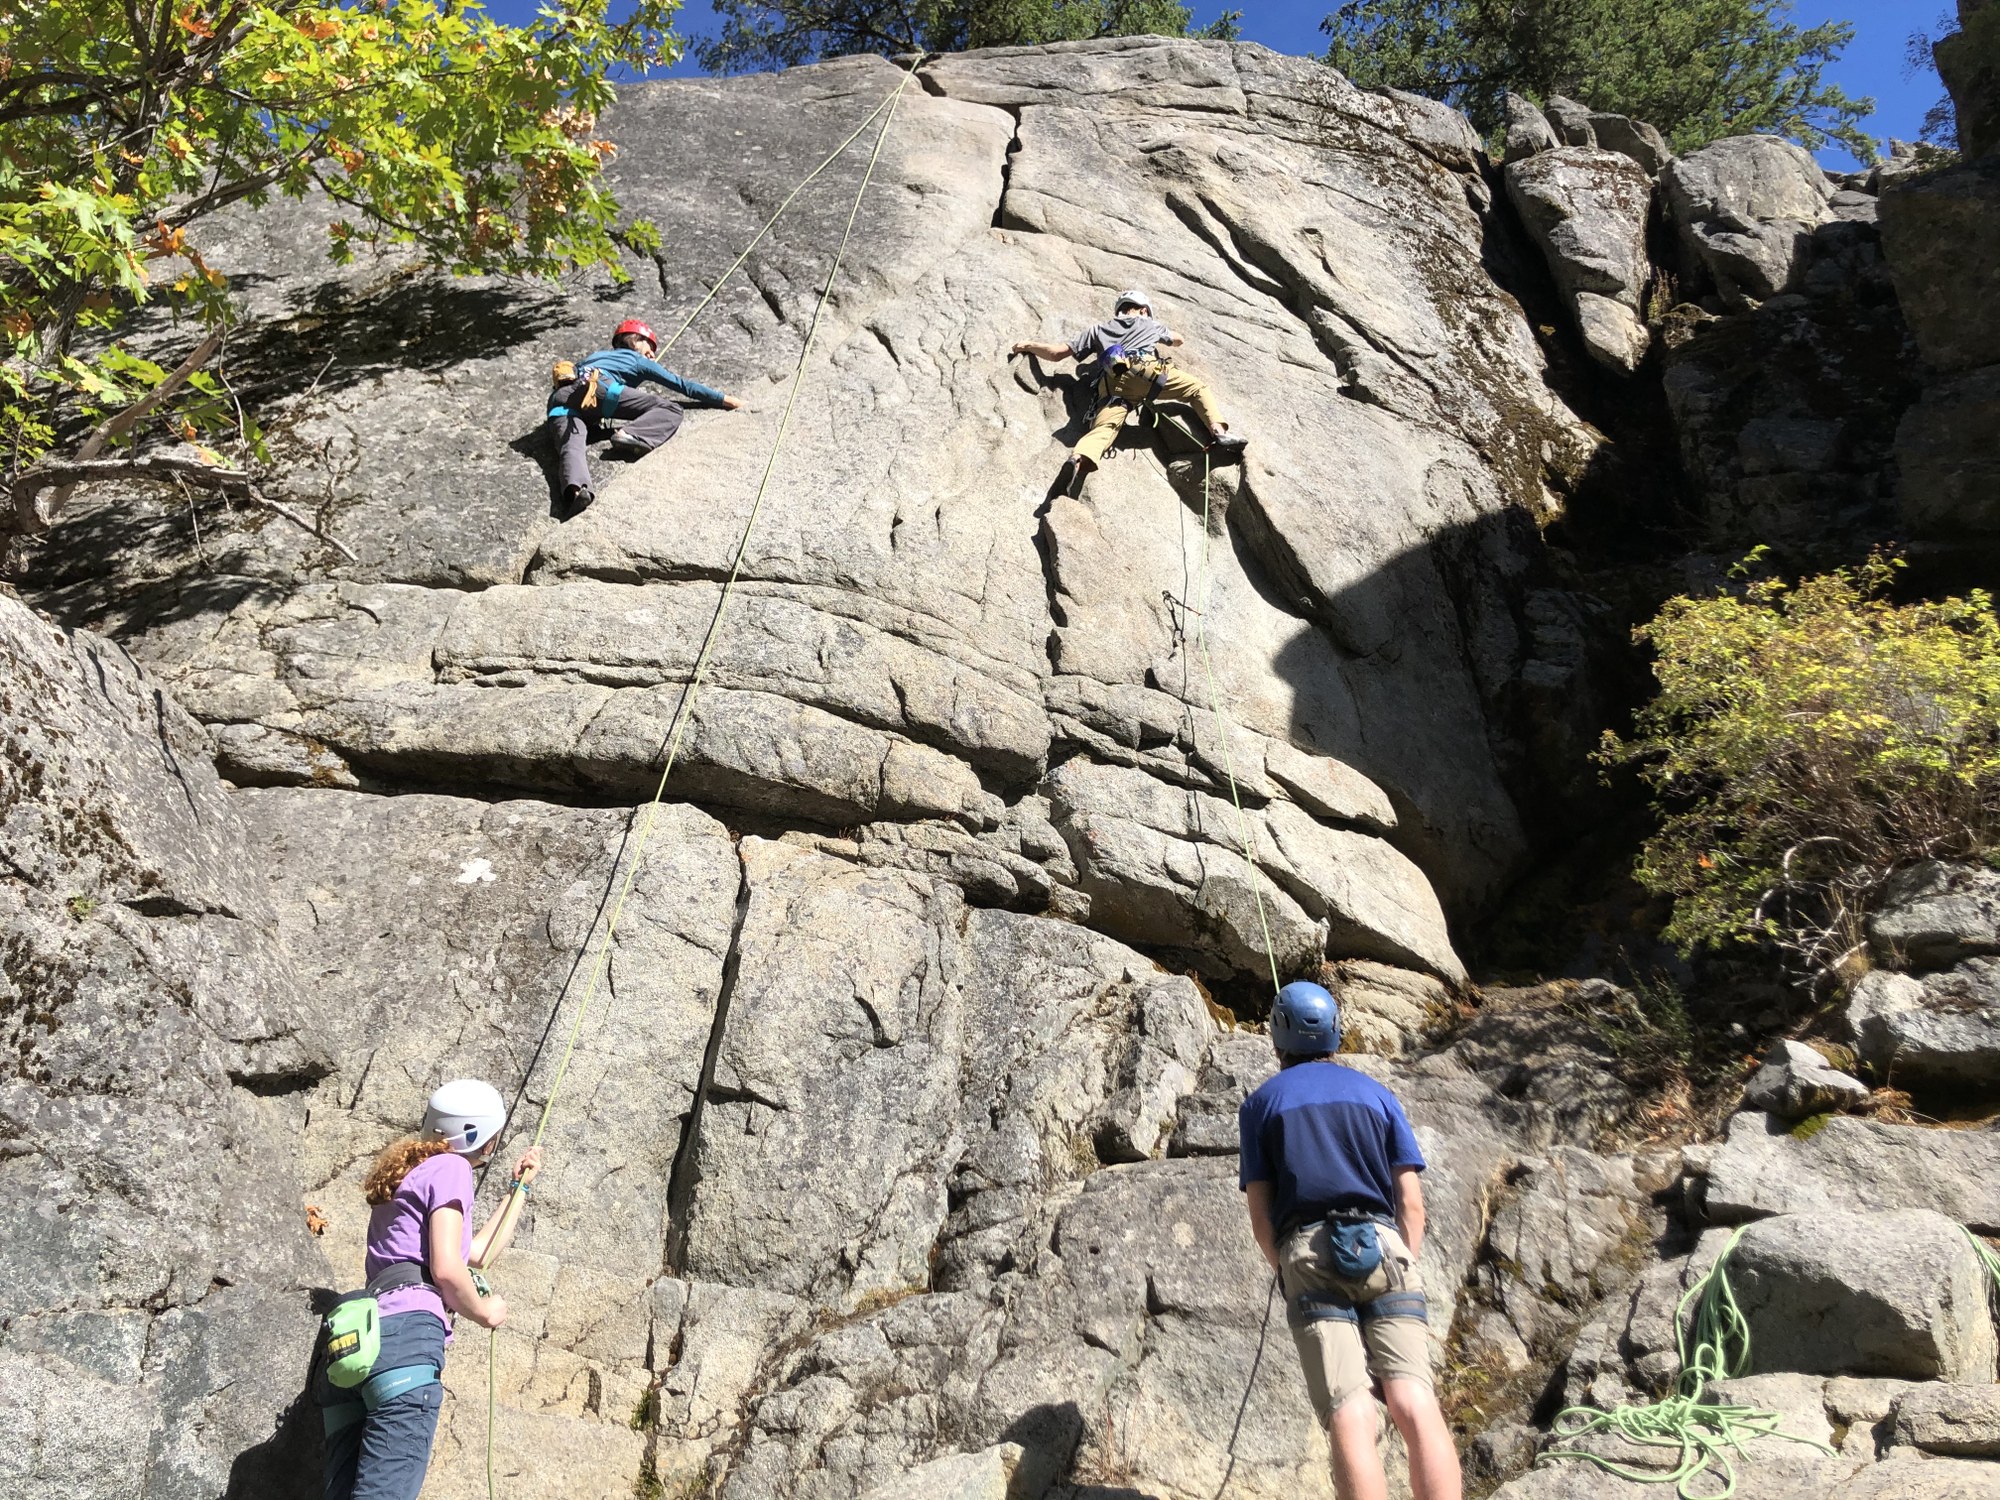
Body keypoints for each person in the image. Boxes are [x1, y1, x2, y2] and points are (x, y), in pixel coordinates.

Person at [1238, 982, 1463, 1500]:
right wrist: (1404, 1258)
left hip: (1308, 1252)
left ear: (1278, 1037)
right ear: (1336, 1033)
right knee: (1413, 1397)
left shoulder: (1260, 1106)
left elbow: (1260, 1216)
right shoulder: (1378, 1096)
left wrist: (1286, 1271)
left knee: (1349, 1406)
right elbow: (1411, 1204)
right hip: (1386, 1245)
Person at [317, 1078, 543, 1500]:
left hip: (359, 1343)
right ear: (478, 1135)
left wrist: (519, 1190)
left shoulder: (409, 1173)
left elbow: (475, 1252)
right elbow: (447, 1268)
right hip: (407, 1341)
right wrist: (484, 1311)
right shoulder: (453, 1167)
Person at [1010, 288, 1246, 491]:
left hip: (1115, 384)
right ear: (1142, 309)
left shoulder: (1097, 330)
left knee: (1103, 428)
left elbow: (1057, 353)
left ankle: (1078, 459)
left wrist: (1029, 345)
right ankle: (1219, 433)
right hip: (1148, 372)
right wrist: (1162, 334)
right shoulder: (1148, 323)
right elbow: (1178, 340)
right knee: (1197, 389)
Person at [547, 317, 743, 514]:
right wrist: (726, 400)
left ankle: (575, 491)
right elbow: (683, 385)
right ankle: (631, 435)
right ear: (634, 340)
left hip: (559, 402)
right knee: (671, 409)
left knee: (571, 446)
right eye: (649, 345)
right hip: (601, 389)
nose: (652, 354)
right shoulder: (637, 359)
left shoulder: (595, 356)